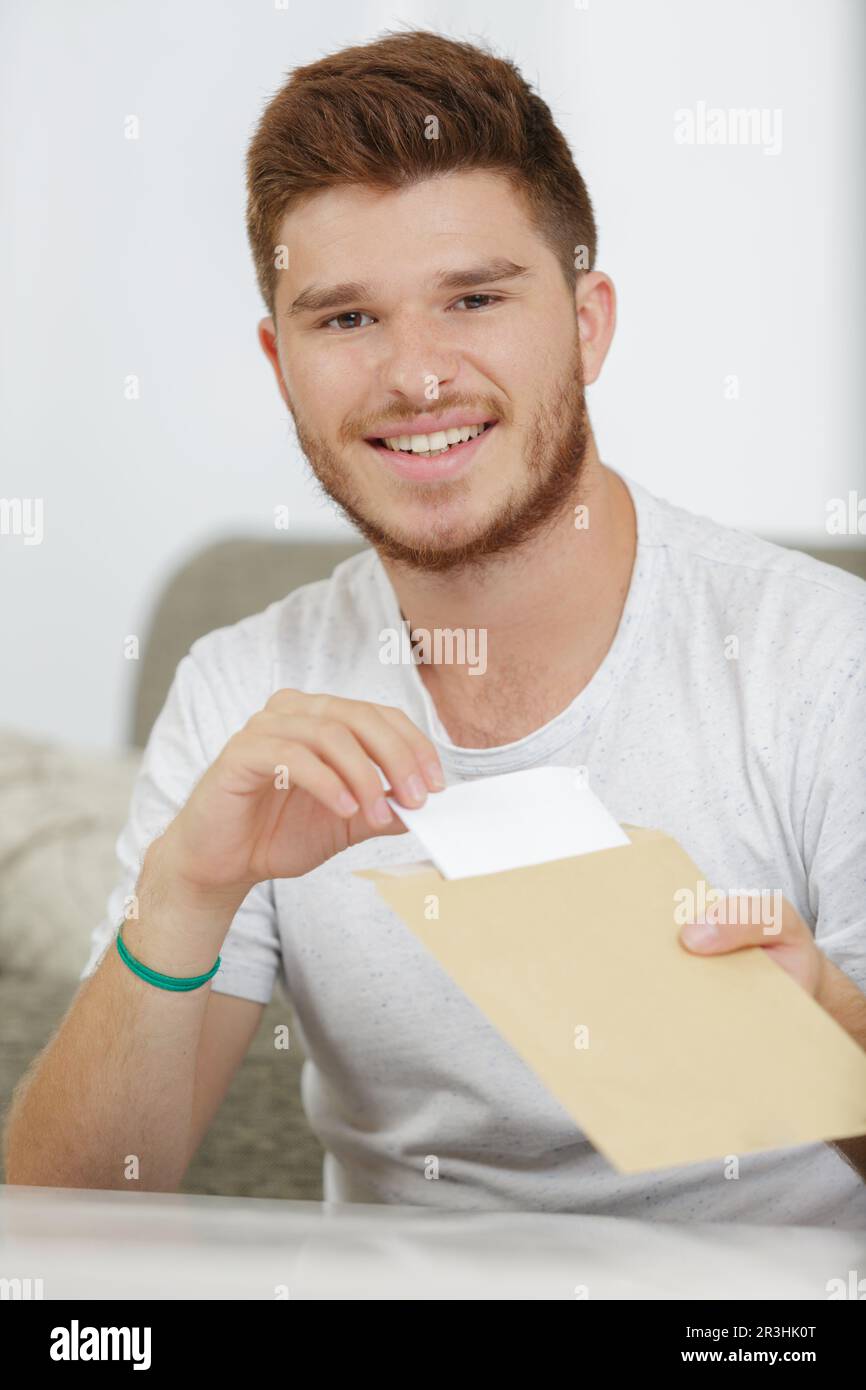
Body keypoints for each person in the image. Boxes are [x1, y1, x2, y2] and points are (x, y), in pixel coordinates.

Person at [5, 30, 865, 1225]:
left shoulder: (826, 665)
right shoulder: (241, 687)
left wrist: (820, 1024)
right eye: (346, 319)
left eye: (472, 298)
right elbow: (59, 1227)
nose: (415, 377)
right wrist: (184, 896)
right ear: (279, 361)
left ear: (588, 322)